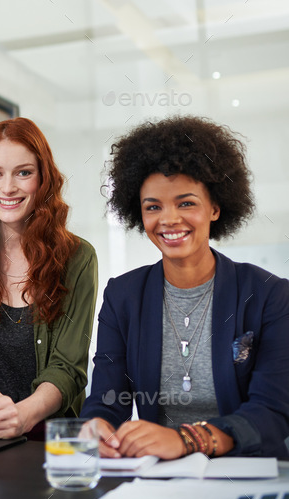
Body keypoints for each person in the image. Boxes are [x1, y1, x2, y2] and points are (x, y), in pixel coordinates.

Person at [81, 114, 289, 459]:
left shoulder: (269, 295)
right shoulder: (123, 297)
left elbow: (273, 412)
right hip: (158, 477)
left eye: (186, 203)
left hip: (247, 472)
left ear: (216, 208)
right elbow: (106, 399)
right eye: (153, 207)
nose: (169, 219)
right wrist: (97, 426)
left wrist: (187, 441)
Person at [0, 117, 98, 439]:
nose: (8, 187)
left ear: (43, 179)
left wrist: (19, 416)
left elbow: (68, 367)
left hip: (51, 442)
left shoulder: (79, 258)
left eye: (23, 172)